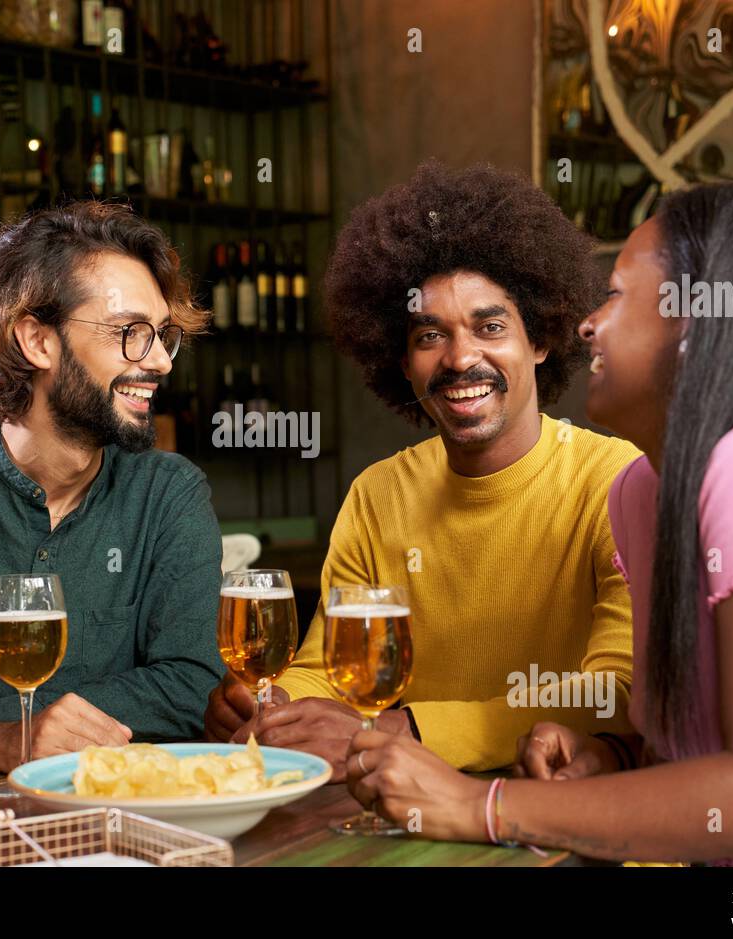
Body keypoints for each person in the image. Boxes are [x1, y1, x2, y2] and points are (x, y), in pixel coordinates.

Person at [349, 183, 733, 865]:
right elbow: (699, 756)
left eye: (616, 295)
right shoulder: (642, 492)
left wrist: (481, 805)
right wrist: (611, 757)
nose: (587, 325)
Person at [205, 161, 641, 778]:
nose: (461, 358)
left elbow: (614, 692)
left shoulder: (618, 483)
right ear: (402, 362)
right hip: (400, 801)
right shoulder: (378, 495)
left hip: (551, 811)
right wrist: (272, 705)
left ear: (540, 340)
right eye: (429, 336)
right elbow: (331, 671)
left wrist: (404, 729)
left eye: (490, 327)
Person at [0, 201, 224, 774]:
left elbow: (191, 685)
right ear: (37, 341)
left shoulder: (169, 495)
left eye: (163, 336)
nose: (163, 362)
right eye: (130, 333)